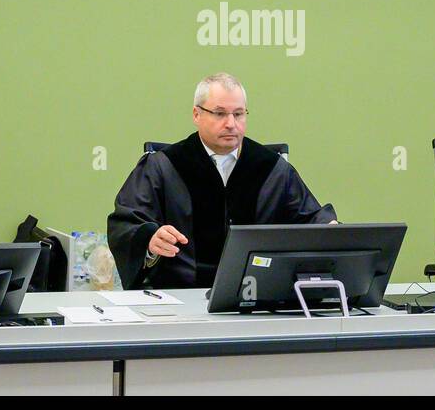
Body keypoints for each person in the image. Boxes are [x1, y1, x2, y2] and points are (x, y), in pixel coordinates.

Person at [108, 73, 336, 290]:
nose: (230, 123)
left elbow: (311, 219)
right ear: (197, 115)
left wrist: (330, 231)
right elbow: (126, 223)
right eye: (219, 113)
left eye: (238, 114)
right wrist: (149, 240)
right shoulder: (163, 167)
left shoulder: (273, 170)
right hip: (180, 297)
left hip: (260, 297)